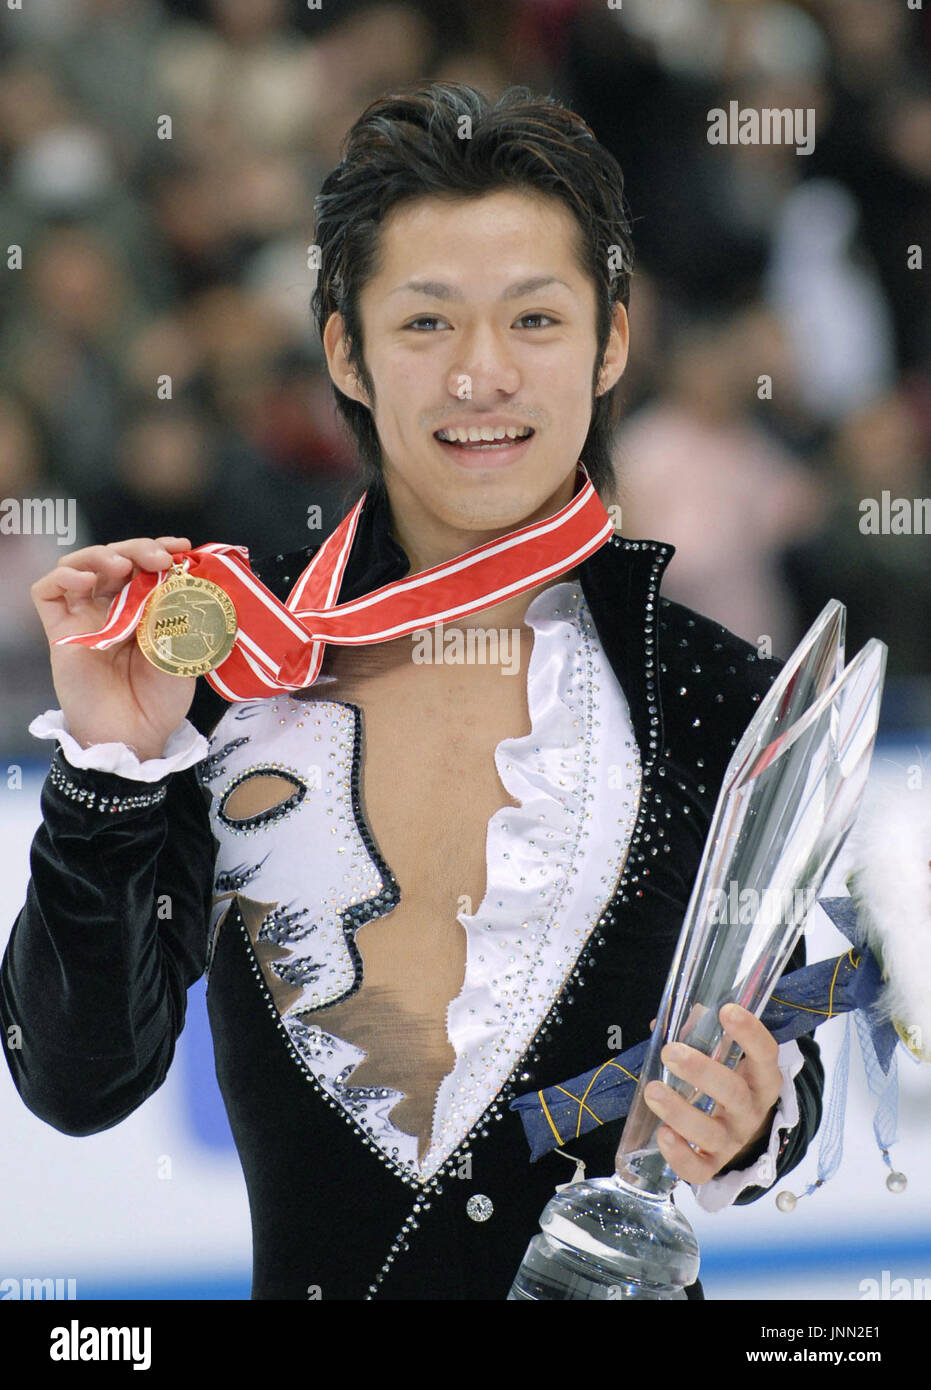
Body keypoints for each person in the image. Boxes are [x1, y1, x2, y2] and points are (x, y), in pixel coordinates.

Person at [1, 83, 822, 1301]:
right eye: (427, 324)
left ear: (609, 341)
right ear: (347, 347)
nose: (481, 376)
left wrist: (753, 1121)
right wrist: (108, 777)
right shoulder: (231, 657)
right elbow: (77, 1082)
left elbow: (786, 1045)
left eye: (535, 320)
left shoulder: (710, 689)